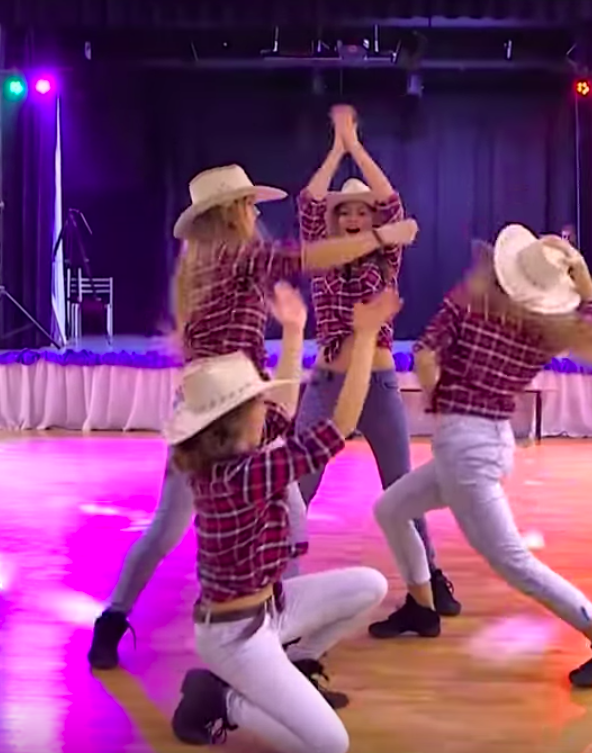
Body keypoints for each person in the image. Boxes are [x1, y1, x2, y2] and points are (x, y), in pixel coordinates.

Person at [88, 164, 418, 672]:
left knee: (175, 527)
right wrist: (382, 234)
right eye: (248, 203)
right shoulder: (237, 255)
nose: (256, 211)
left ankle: (113, 624)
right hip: (230, 411)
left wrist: (290, 336)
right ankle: (289, 648)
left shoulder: (198, 263)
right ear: (232, 212)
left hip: (213, 406)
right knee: (276, 518)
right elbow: (308, 256)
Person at [369, 225, 592, 688]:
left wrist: (438, 390)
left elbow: (424, 354)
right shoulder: (542, 330)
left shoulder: (466, 305)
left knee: (512, 561)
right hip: (487, 443)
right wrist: (579, 268)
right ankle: (422, 606)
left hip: (467, 449)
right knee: (390, 509)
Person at [168, 288, 400, 753]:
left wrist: (294, 330)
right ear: (234, 423)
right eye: (256, 403)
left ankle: (296, 660)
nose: (265, 407)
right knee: (329, 745)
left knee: (369, 586)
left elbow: (286, 410)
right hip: (235, 639)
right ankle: (223, 699)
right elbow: (337, 428)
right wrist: (368, 337)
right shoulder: (241, 474)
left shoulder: (232, 452)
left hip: (270, 610)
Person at [294, 104, 461, 617]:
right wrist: (336, 146)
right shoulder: (320, 250)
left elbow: (391, 201)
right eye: (344, 211)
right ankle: (280, 580)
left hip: (380, 382)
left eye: (360, 212)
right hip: (327, 381)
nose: (351, 216)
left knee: (400, 488)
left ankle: (431, 582)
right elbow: (307, 201)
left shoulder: (387, 255)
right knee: (298, 484)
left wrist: (357, 146)